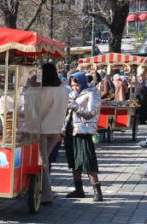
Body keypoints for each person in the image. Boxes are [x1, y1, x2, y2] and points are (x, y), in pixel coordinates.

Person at [28, 63, 71, 205]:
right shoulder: (64, 90)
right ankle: (39, 189)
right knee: (44, 161)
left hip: (42, 130)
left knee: (43, 163)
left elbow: (35, 110)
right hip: (56, 129)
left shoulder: (42, 91)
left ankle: (46, 195)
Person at [64, 73, 103, 201]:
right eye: (72, 85)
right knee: (74, 162)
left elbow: (91, 113)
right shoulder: (72, 94)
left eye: (77, 85)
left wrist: (75, 106)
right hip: (70, 131)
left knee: (88, 161)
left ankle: (97, 190)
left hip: (83, 132)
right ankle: (78, 189)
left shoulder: (92, 93)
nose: (74, 88)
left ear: (82, 82)